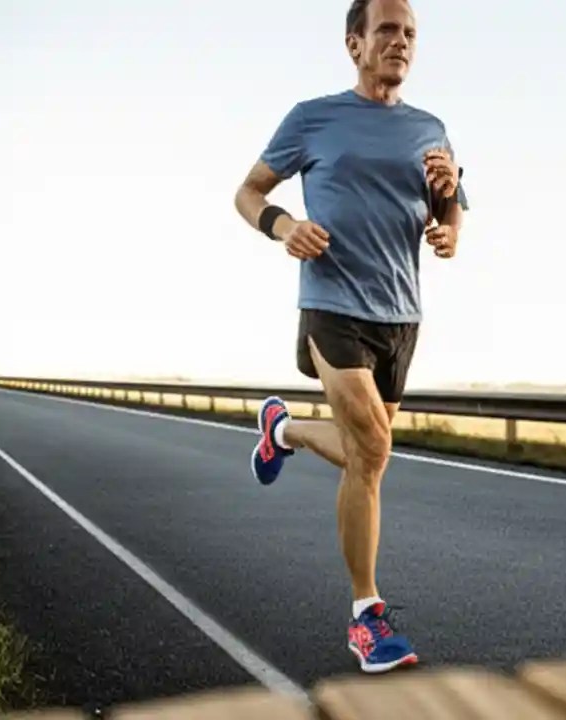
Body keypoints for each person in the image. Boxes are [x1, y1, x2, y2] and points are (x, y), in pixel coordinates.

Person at [231, 0, 468, 674]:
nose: (401, 42)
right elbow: (248, 191)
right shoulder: (313, 118)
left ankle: (284, 432)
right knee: (372, 446)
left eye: (411, 34)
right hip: (332, 303)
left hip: (402, 314)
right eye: (387, 30)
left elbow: (451, 207)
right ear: (354, 43)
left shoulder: (432, 129)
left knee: (370, 455)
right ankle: (367, 618)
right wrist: (282, 226)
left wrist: (449, 221)